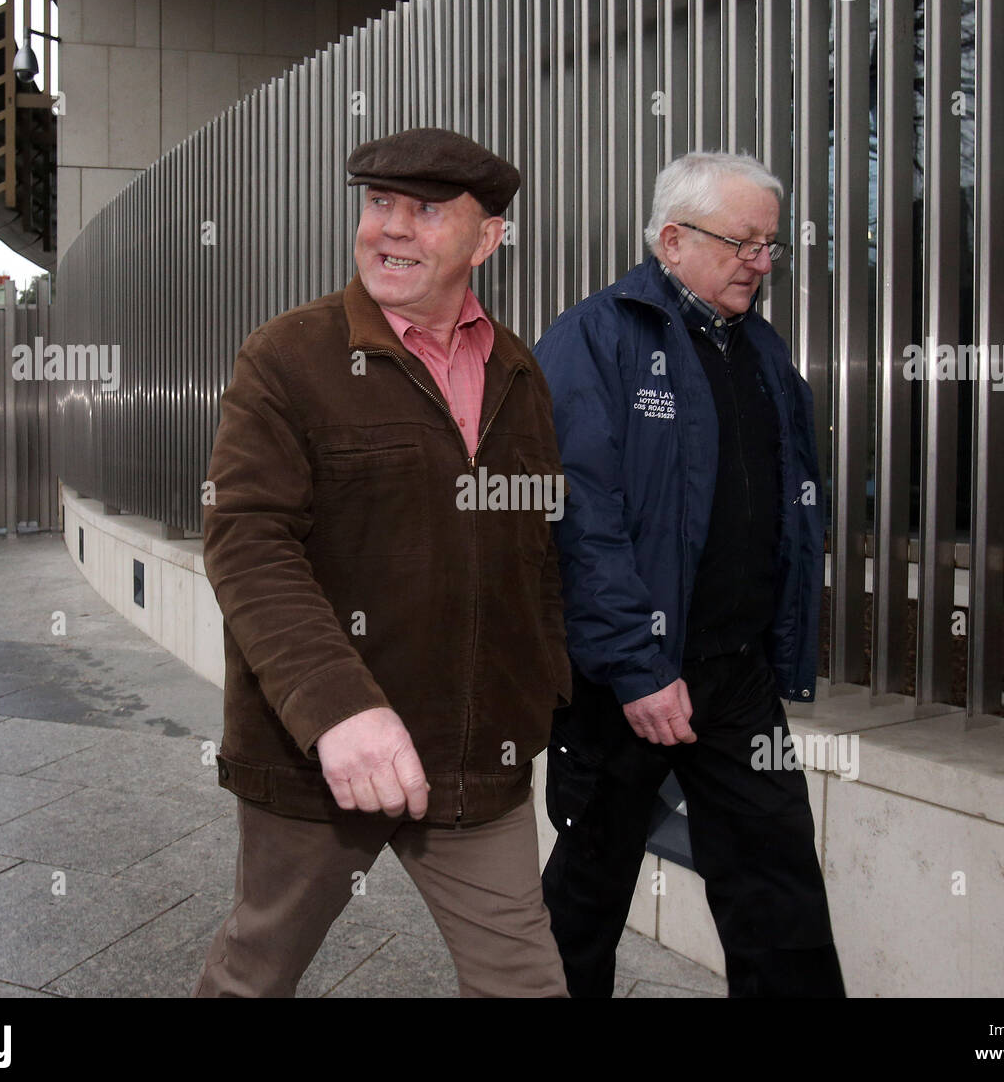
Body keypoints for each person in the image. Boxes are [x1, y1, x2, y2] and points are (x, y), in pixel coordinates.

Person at [193, 127, 570, 998]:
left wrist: (544, 684)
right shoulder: (288, 357)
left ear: (487, 239)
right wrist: (338, 711)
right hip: (317, 757)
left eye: (427, 210)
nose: (391, 228)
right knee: (256, 969)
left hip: (477, 753)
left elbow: (536, 552)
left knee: (526, 982)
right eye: (377, 204)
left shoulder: (519, 372)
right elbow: (247, 541)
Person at [533, 151, 844, 998]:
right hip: (626, 680)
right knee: (588, 892)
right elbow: (577, 520)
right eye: (745, 243)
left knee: (779, 881)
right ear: (673, 240)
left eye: (770, 246)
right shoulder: (595, 340)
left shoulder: (763, 350)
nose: (761, 262)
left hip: (736, 673)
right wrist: (638, 666)